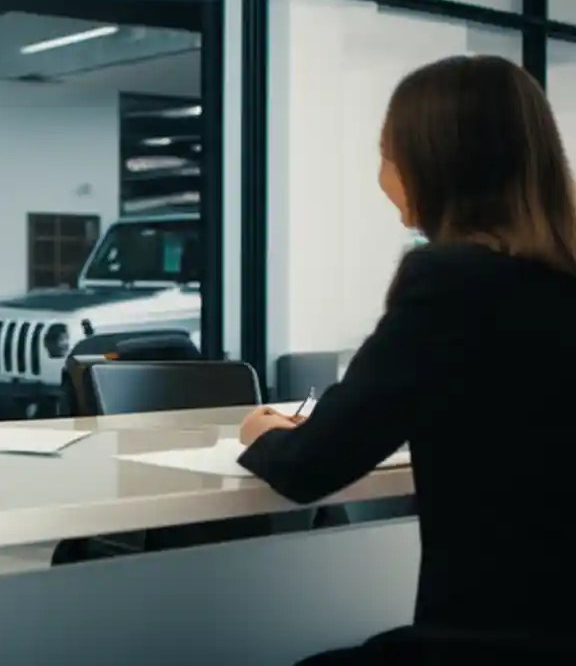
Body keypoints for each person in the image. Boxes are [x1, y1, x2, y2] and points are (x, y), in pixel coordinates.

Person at [237, 56, 576, 660]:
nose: (381, 175)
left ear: (436, 165)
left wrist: (263, 432)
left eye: (387, 154)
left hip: (488, 641)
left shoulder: (451, 283)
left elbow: (312, 466)